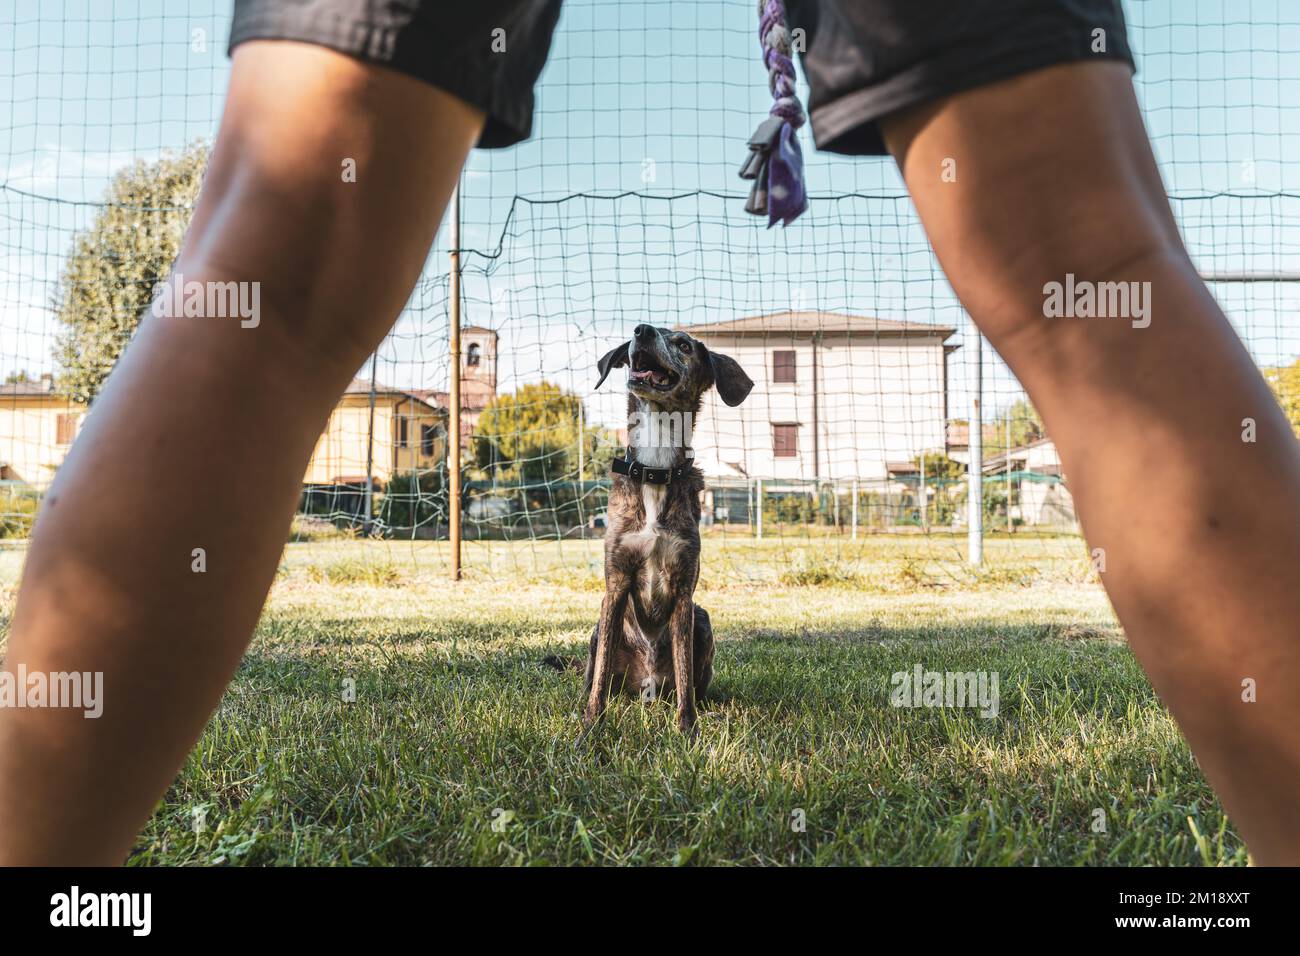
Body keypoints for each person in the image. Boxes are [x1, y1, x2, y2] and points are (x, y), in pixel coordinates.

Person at [1, 0, 1297, 865]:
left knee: (270, 283)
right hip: (638, 575)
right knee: (1093, 271)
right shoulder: (631, 466)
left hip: (668, 571)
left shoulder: (687, 448)